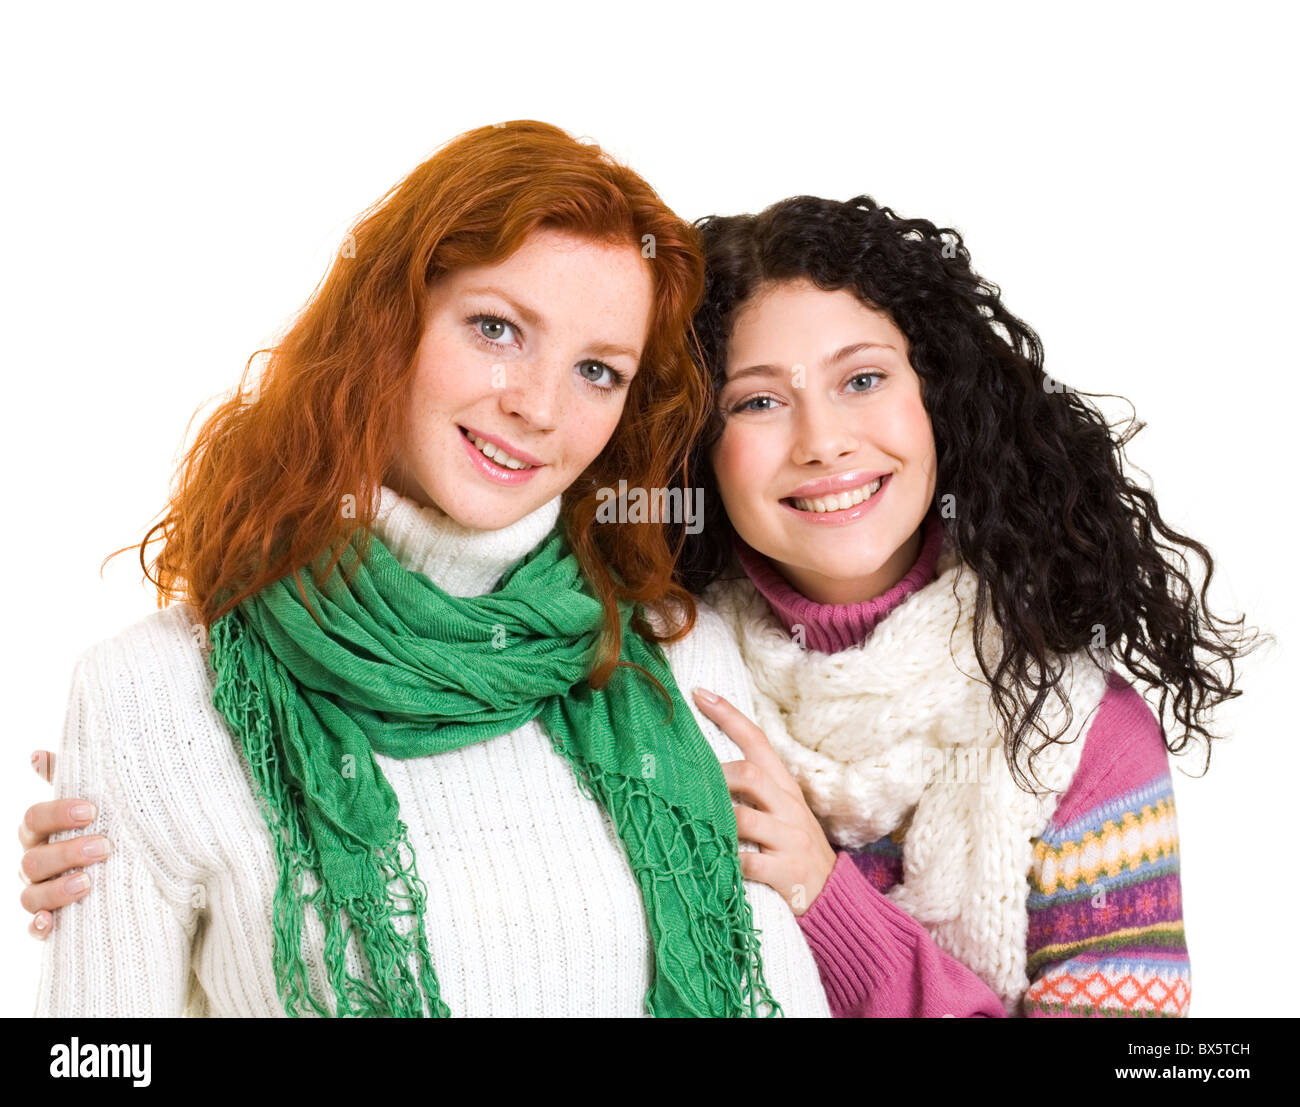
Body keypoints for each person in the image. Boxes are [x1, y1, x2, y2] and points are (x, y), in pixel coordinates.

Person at [18, 120, 834, 1017]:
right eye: (496, 328)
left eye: (597, 370)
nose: (536, 406)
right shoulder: (149, 692)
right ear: (390, 320)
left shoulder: (678, 658)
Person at [673, 194, 1263, 1016]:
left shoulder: (1080, 736)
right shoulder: (652, 679)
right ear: (699, 441)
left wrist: (822, 894)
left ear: (939, 402)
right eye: (758, 400)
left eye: (864, 379)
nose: (823, 440)